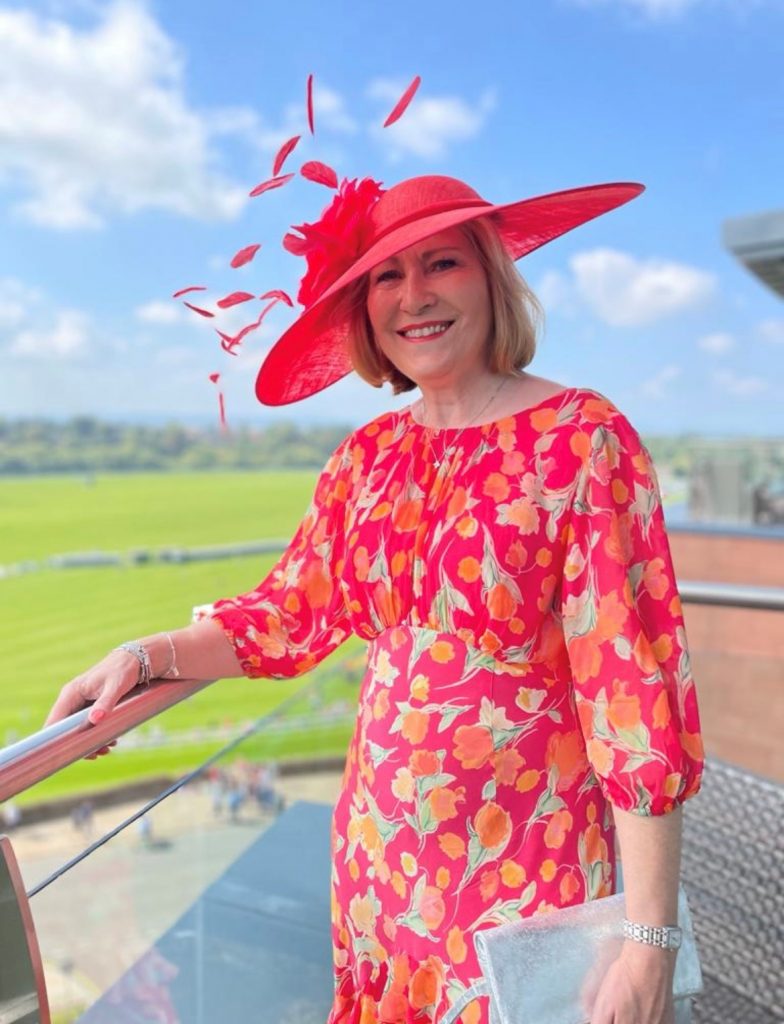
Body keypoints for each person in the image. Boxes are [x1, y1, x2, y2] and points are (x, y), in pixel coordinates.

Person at [45, 173, 704, 1024]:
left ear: (492, 280)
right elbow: (288, 615)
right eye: (387, 276)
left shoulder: (583, 440)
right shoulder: (368, 457)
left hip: (529, 871)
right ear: (363, 309)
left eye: (442, 264)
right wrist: (141, 659)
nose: (414, 296)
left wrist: (648, 940)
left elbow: (634, 697)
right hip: (381, 870)